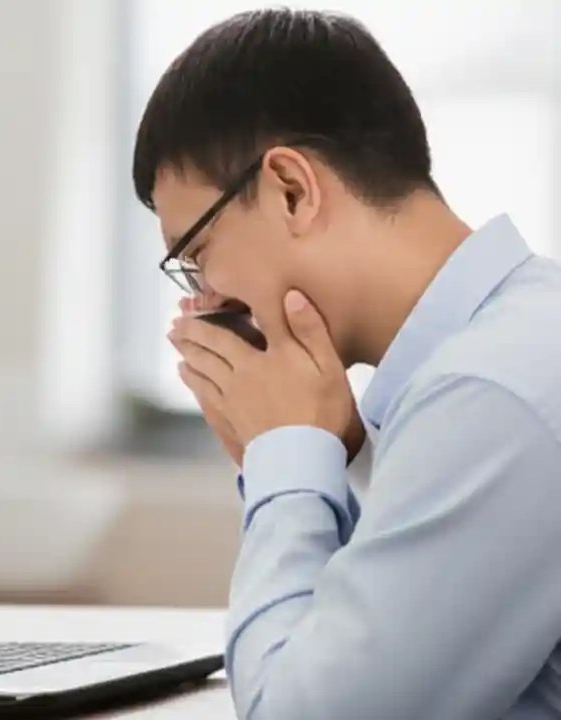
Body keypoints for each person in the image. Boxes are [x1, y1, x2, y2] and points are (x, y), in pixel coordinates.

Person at [132, 8, 561, 719]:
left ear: (292, 190)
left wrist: (285, 466)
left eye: (198, 258)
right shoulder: (511, 342)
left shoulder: (490, 397)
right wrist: (324, 456)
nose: (203, 306)